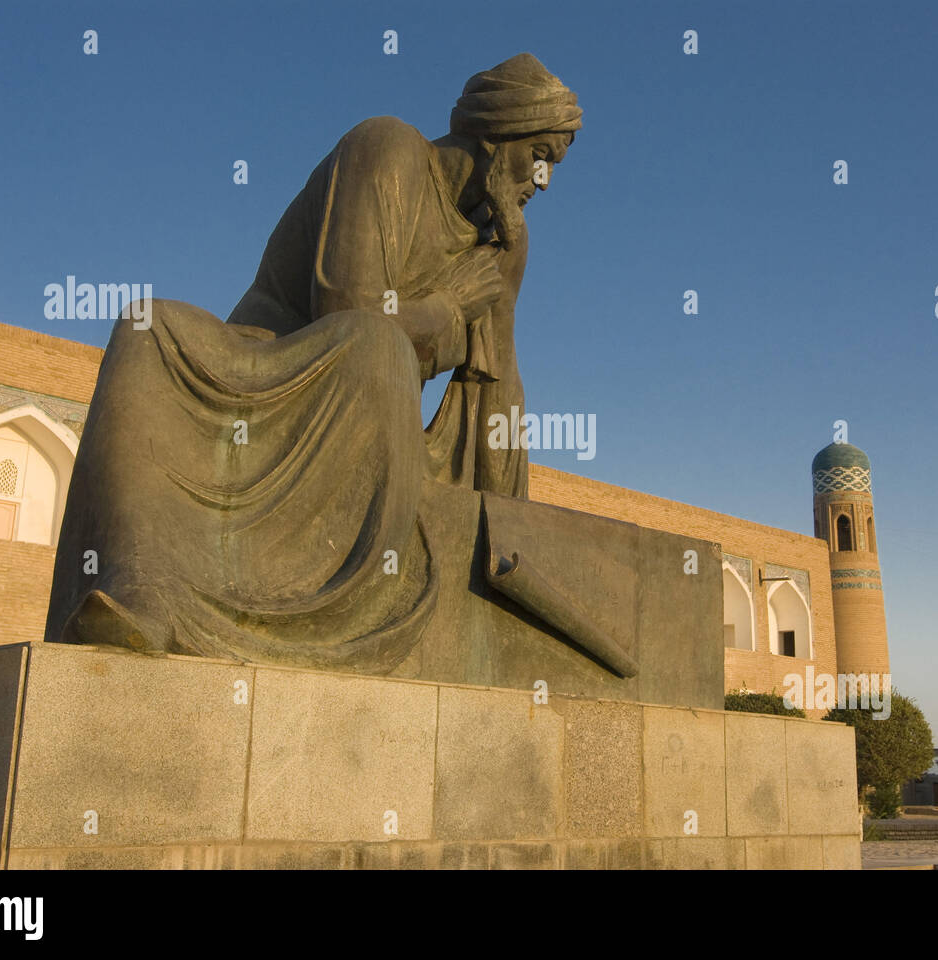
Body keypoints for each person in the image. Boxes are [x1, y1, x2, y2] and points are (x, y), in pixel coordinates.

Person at [44, 54, 582, 672]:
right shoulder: (388, 149)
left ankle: (322, 607)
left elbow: (497, 383)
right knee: (147, 328)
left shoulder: (501, 243)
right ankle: (141, 587)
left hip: (374, 417)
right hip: (268, 363)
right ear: (495, 133)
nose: (542, 181)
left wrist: (513, 523)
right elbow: (347, 310)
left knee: (378, 351)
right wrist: (449, 309)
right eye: (539, 155)